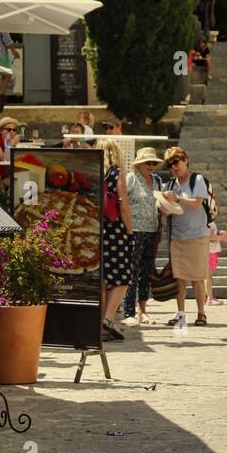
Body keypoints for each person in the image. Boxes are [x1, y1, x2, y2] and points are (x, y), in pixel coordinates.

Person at [159, 146, 211, 329]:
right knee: (179, 277)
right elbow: (166, 211)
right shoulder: (170, 185)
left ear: (185, 159)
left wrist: (177, 199)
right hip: (177, 236)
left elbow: (197, 203)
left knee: (197, 276)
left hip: (197, 234)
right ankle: (181, 314)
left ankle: (201, 313)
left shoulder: (197, 180)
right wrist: (162, 202)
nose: (174, 166)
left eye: (176, 162)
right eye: (170, 164)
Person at [97, 139, 134, 342]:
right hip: (115, 230)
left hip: (98, 231)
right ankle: (109, 319)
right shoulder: (117, 174)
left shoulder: (94, 173)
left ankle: (101, 328)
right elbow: (124, 206)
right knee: (122, 277)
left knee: (103, 279)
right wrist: (130, 230)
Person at [122, 147, 163, 327]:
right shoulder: (131, 179)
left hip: (152, 230)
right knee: (132, 271)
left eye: (153, 163)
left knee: (146, 272)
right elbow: (122, 202)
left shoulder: (157, 181)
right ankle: (129, 312)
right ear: (139, 164)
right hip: (134, 231)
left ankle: (143, 311)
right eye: (148, 163)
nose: (151, 166)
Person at [206, 214, 227, 307]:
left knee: (209, 275)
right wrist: (221, 237)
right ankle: (209, 298)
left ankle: (210, 297)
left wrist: (220, 234)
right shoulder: (207, 221)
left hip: (212, 250)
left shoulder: (210, 221)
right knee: (208, 275)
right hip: (210, 251)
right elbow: (209, 237)